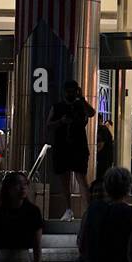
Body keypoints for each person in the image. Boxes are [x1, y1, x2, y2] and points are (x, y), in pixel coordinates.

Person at [46, 81, 96, 221]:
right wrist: (61, 122)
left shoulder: (80, 105)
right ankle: (69, 209)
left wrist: (82, 99)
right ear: (64, 92)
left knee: (81, 178)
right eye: (68, 91)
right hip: (62, 147)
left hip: (78, 147)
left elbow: (91, 112)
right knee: (65, 180)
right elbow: (49, 125)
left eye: (73, 91)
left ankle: (88, 209)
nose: (71, 94)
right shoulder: (58, 107)